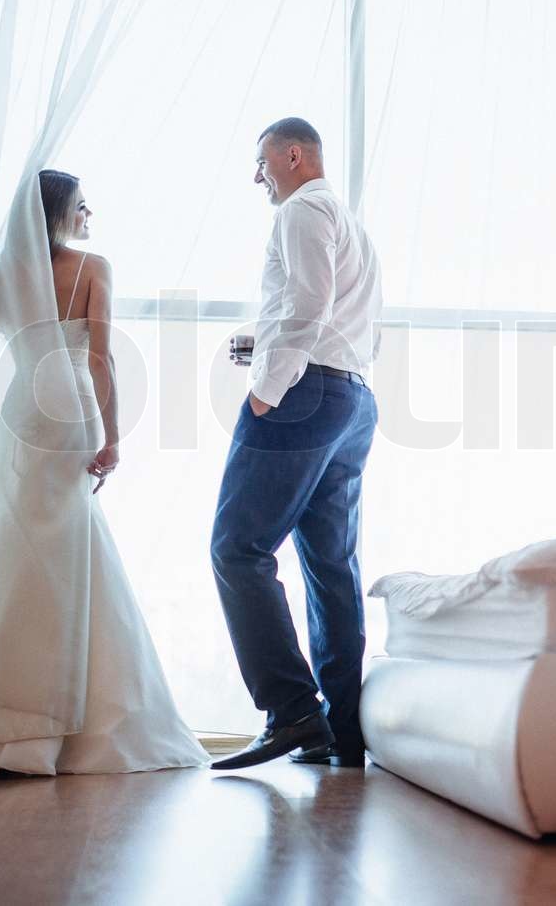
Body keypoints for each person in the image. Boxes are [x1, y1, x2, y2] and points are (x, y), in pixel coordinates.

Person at [0, 170, 208, 778]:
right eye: (83, 208)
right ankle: (82, 718)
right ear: (60, 214)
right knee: (71, 542)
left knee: (14, 547)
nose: (91, 218)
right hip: (69, 411)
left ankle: (2, 706)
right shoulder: (94, 268)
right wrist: (113, 436)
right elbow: (100, 356)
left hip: (21, 413)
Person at [209, 118, 382, 770]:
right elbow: (341, 320)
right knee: (331, 569)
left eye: (261, 163)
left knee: (237, 548)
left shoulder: (302, 211)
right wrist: (260, 345)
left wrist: (267, 390)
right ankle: (343, 734)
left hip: (303, 399)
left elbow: (309, 303)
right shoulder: (349, 222)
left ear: (293, 154)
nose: (258, 177)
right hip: (351, 399)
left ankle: (293, 713)